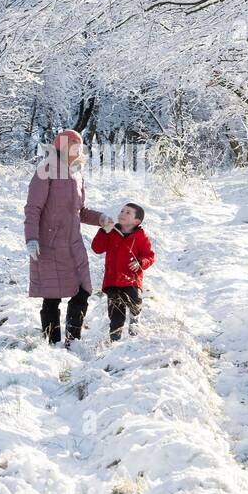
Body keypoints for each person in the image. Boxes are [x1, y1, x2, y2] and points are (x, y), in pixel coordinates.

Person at [24, 129, 112, 346]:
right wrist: (31, 239)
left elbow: (80, 211)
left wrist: (100, 218)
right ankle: (51, 343)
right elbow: (33, 209)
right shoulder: (46, 170)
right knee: (52, 296)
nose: (78, 150)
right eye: (74, 145)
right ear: (62, 146)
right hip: (49, 244)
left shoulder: (76, 173)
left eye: (79, 146)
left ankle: (73, 341)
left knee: (82, 291)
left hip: (73, 244)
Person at [90, 202, 155, 341]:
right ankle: (115, 338)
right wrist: (103, 231)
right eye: (122, 211)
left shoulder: (140, 236)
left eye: (128, 212)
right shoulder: (111, 232)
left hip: (131, 279)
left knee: (134, 299)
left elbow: (149, 256)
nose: (122, 214)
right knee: (115, 313)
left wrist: (140, 262)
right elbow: (97, 248)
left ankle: (135, 319)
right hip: (112, 280)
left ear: (137, 221)